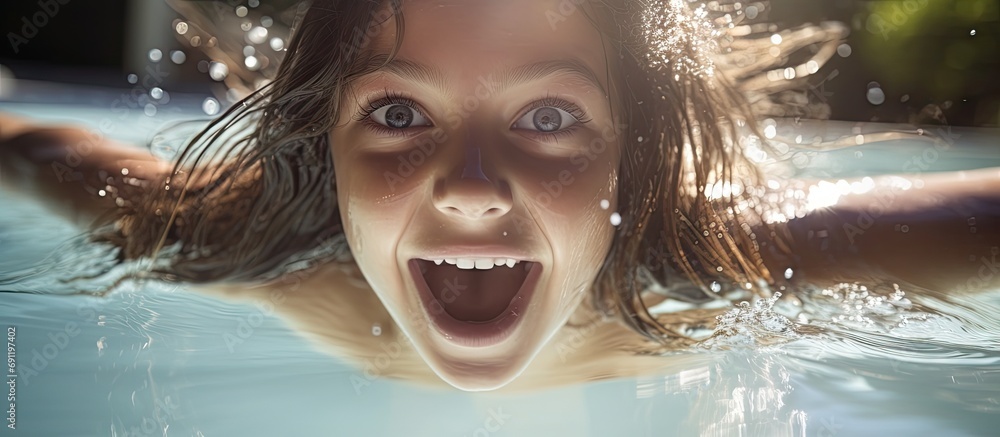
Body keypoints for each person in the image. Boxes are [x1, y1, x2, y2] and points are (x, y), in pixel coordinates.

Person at [1, 0, 998, 392]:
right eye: (398, 115)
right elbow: (40, 146)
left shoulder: (731, 257)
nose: (470, 188)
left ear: (629, 156)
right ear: (324, 147)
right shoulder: (226, 232)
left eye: (549, 118)